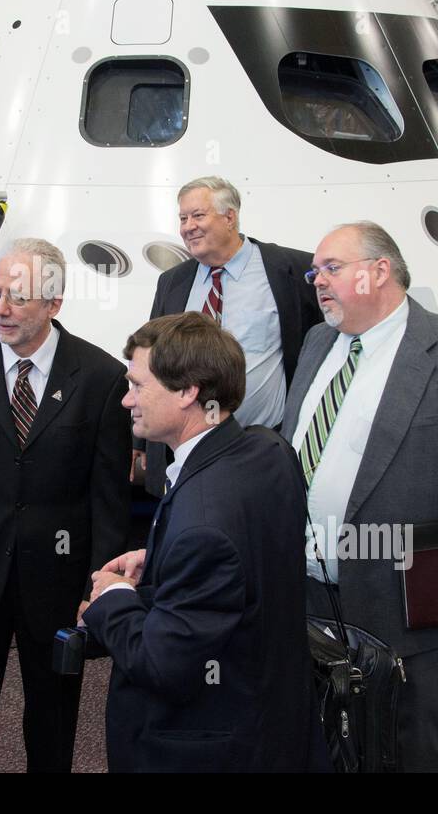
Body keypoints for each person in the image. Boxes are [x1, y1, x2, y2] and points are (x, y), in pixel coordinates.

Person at [280, 221, 438, 772]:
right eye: (313, 271)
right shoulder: (319, 341)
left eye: (331, 268)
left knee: (404, 743)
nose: (316, 280)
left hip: (403, 593)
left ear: (380, 271)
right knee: (321, 734)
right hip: (306, 583)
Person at [0, 238, 130, 773]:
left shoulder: (101, 379)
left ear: (55, 303)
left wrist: (96, 590)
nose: (0, 310)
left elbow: (109, 502)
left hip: (59, 587)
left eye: (18, 297)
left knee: (53, 722)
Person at [82, 311, 317, 772]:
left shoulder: (204, 526)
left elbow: (163, 665)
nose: (126, 400)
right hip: (275, 719)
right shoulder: (268, 450)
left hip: (209, 747)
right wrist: (164, 557)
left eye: (137, 385)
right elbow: (246, 555)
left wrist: (111, 600)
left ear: (189, 391)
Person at [134, 176, 321, 495]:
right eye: (182, 218)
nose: (187, 226)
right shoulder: (172, 282)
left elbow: (320, 347)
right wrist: (141, 439)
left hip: (262, 445)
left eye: (198, 215)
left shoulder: (292, 270)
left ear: (230, 216)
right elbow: (150, 363)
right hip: (185, 451)